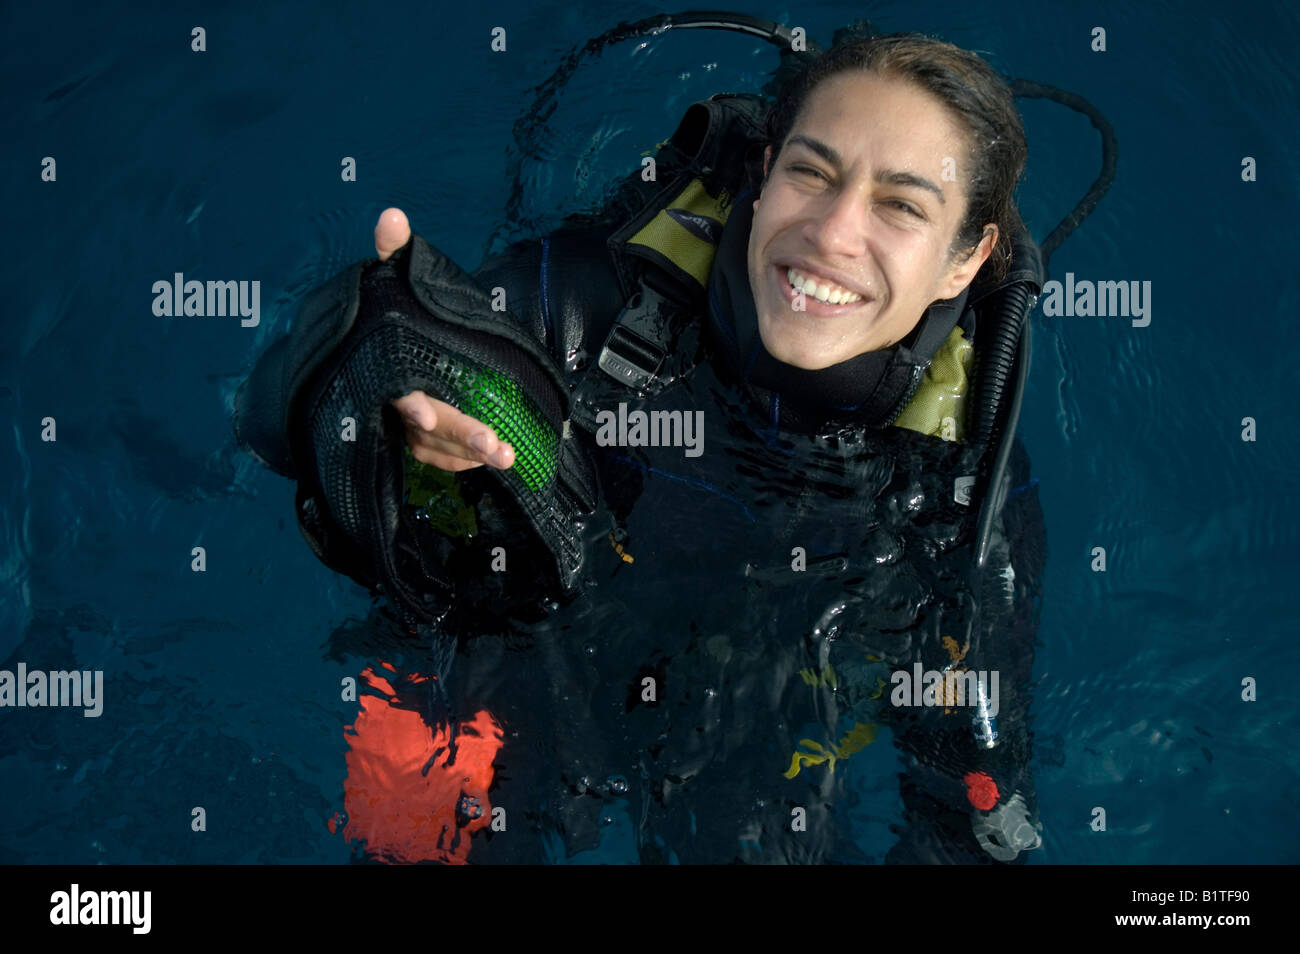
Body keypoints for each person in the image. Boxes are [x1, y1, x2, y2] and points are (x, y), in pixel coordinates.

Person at [236, 31, 1048, 863]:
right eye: (812, 171)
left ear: (966, 261)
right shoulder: (592, 304)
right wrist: (368, 367)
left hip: (750, 730)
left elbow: (967, 802)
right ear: (764, 175)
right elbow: (266, 422)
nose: (835, 233)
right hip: (506, 654)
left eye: (902, 205)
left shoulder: (963, 484)